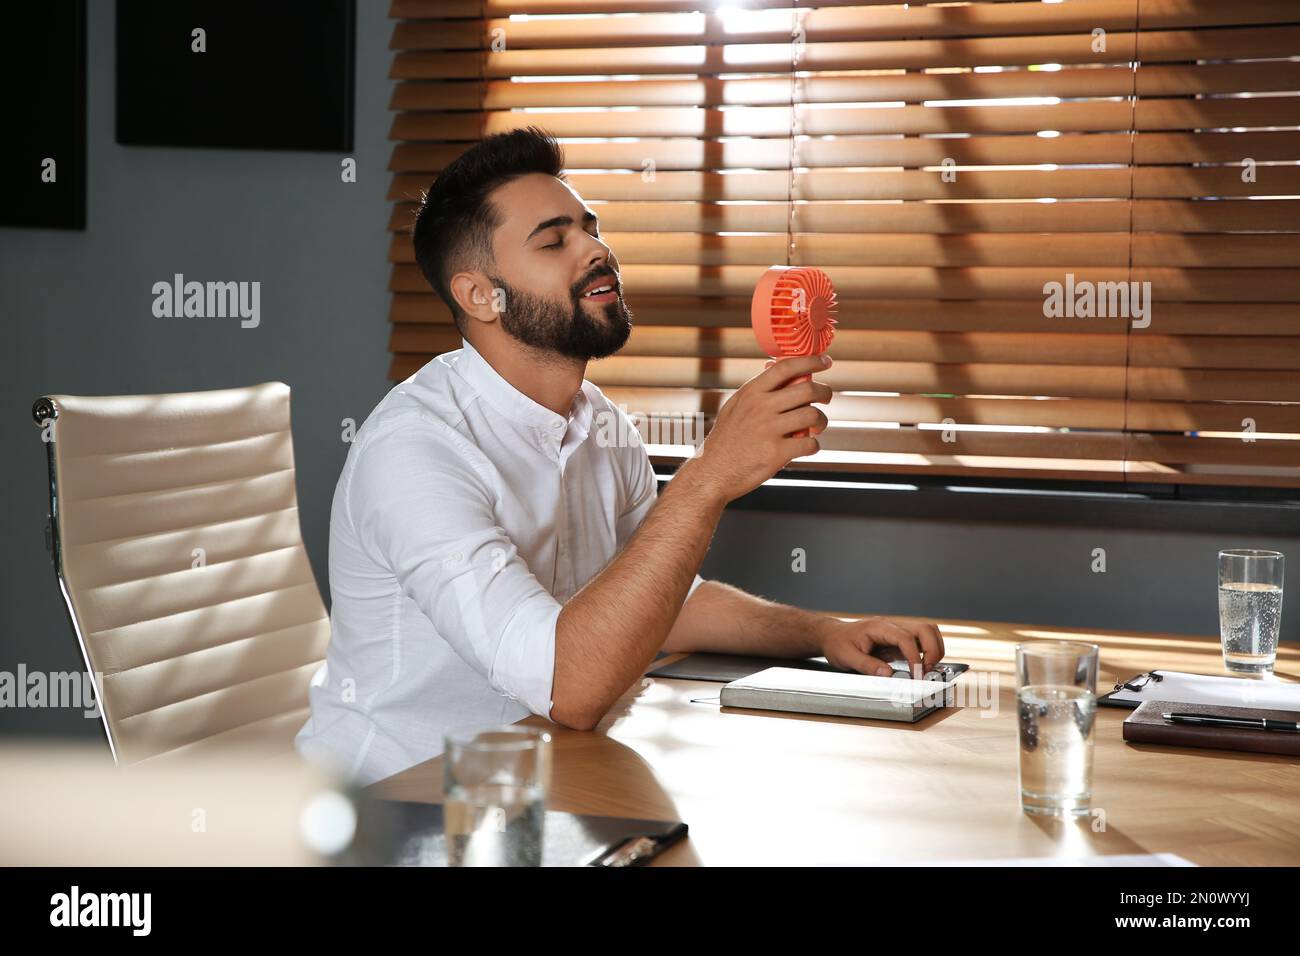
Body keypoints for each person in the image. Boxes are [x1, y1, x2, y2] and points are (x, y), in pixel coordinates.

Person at [295, 125, 944, 785]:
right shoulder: (415, 451)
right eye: (554, 240)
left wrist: (823, 634)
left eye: (590, 228)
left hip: (541, 782)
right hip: (402, 808)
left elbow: (666, 606)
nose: (596, 249)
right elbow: (568, 689)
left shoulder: (598, 422)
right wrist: (710, 475)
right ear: (478, 296)